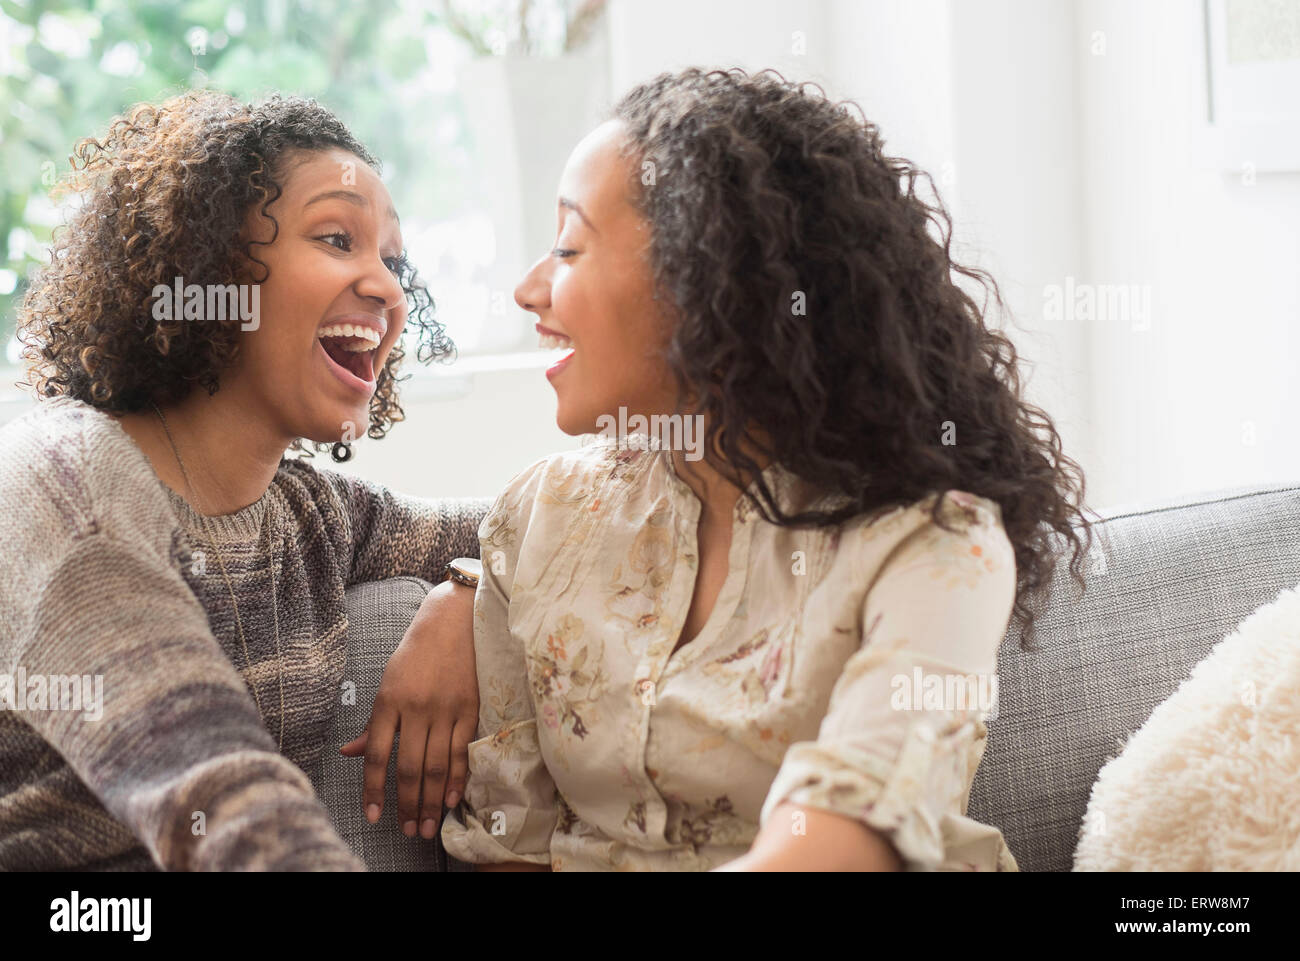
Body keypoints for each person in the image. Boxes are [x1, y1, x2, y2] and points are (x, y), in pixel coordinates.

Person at [440, 68, 1090, 871]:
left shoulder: (936, 545)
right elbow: (512, 849)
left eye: (569, 246)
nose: (528, 289)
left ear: (707, 278)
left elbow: (845, 843)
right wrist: (454, 592)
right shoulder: (537, 520)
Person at [0, 91, 481, 870]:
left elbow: (545, 520)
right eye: (336, 238)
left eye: (391, 261)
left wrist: (470, 589)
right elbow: (214, 793)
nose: (390, 291)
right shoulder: (67, 488)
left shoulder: (310, 514)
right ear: (212, 263)